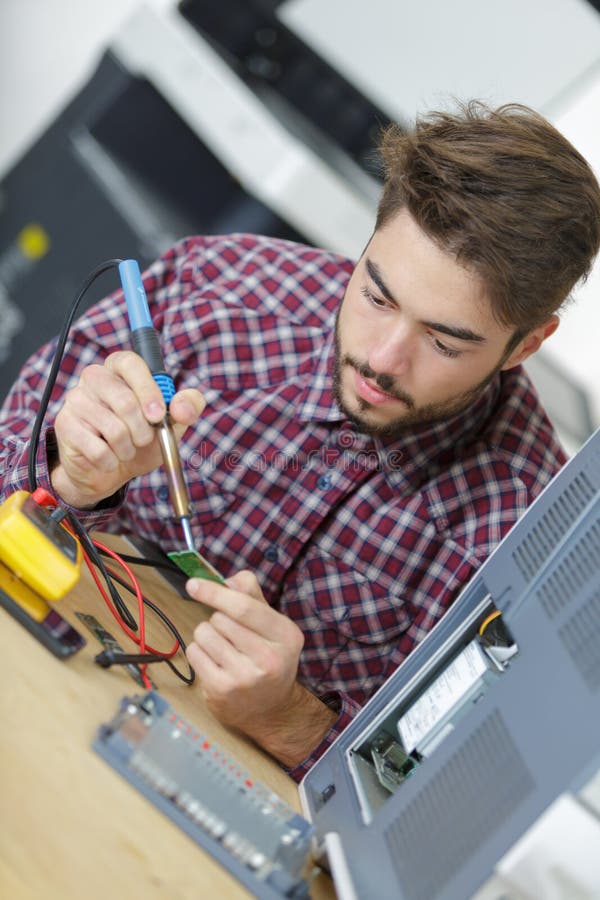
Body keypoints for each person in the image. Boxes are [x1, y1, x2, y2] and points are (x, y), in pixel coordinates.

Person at [1, 101, 599, 781]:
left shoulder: (531, 543)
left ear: (528, 343)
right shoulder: (218, 290)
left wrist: (292, 721)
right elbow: (8, 457)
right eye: (377, 297)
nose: (382, 359)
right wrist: (66, 475)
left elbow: (461, 793)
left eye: (443, 340)